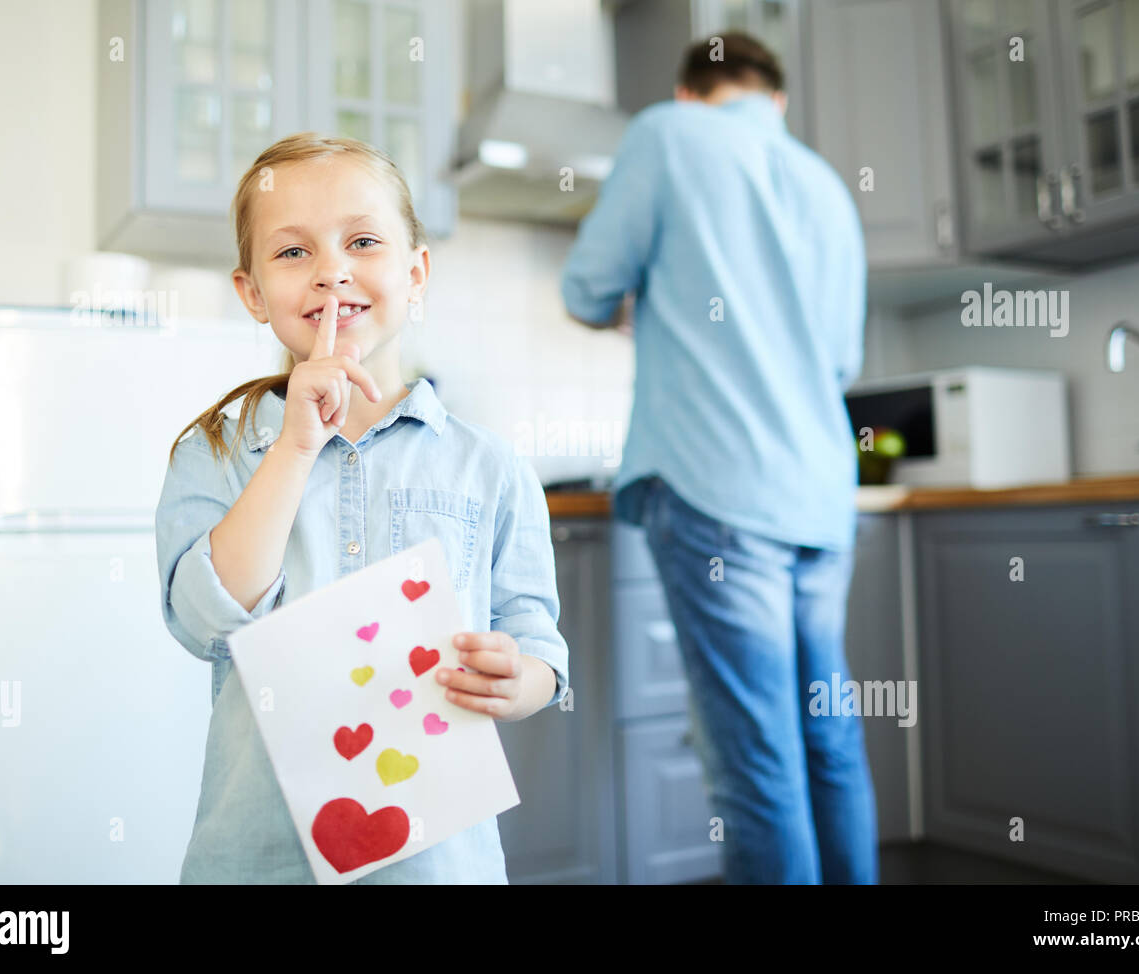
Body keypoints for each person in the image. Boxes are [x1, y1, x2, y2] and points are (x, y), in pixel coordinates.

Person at [155, 133, 569, 884]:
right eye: (293, 252)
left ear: (416, 275)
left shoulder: (493, 468)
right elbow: (204, 620)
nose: (332, 271)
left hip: (440, 865)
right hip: (257, 860)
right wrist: (293, 447)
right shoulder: (212, 454)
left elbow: (539, 642)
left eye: (363, 241)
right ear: (252, 294)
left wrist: (523, 680)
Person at [561, 31, 876, 884]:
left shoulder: (667, 132)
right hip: (819, 495)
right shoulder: (824, 184)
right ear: (773, 98)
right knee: (828, 740)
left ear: (691, 90)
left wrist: (640, 302)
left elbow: (586, 287)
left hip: (719, 486)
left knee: (756, 758)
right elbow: (841, 361)